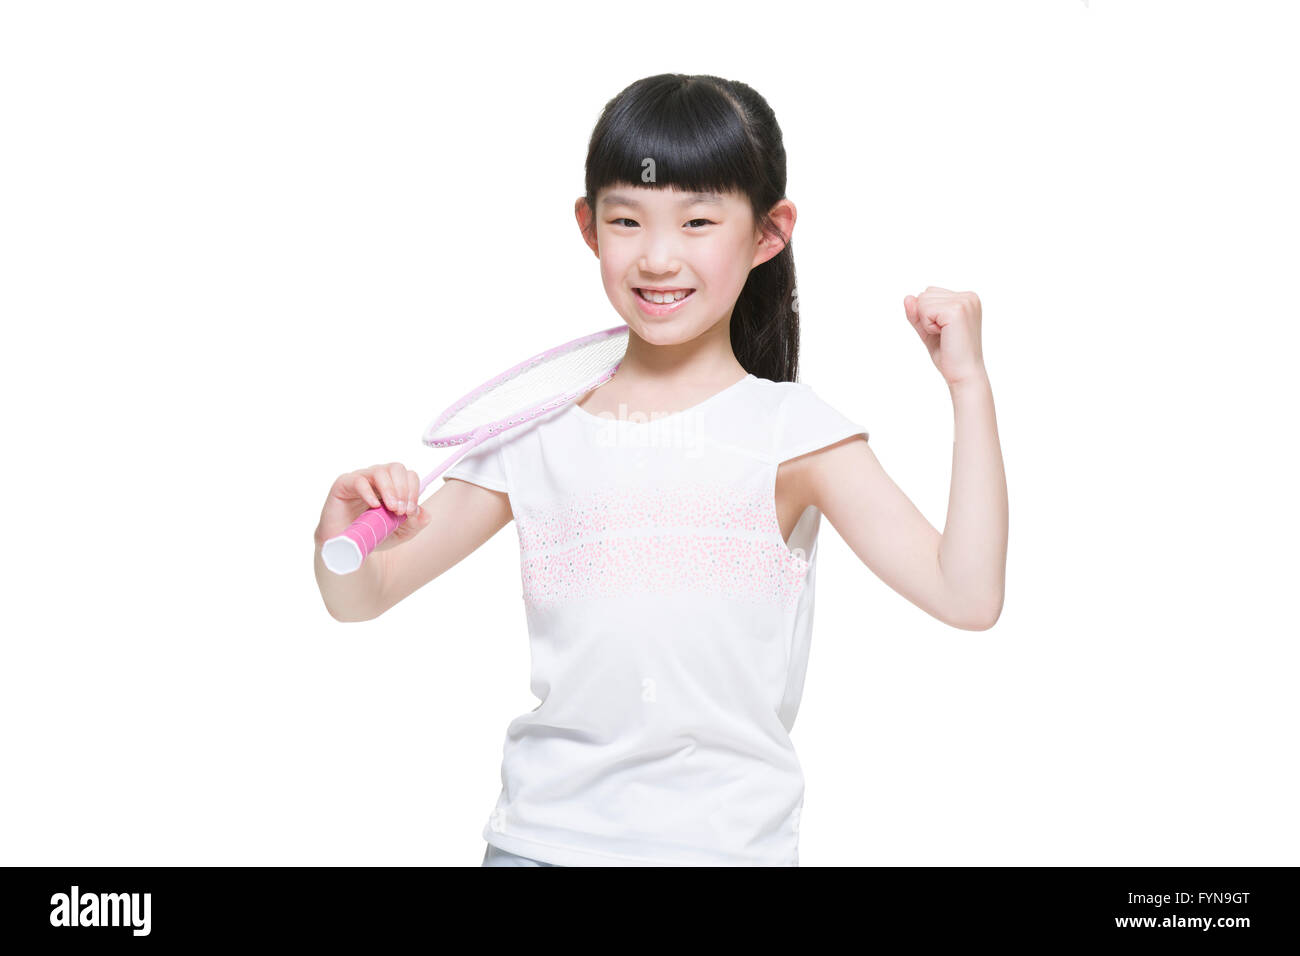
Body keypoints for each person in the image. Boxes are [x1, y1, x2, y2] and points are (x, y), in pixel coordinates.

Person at [313, 74, 1008, 867]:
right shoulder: (537, 424)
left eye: (699, 220)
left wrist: (968, 386)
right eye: (626, 219)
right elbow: (361, 597)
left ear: (768, 233)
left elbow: (968, 595)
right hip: (538, 846)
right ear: (589, 226)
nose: (657, 255)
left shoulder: (793, 433)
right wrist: (339, 538)